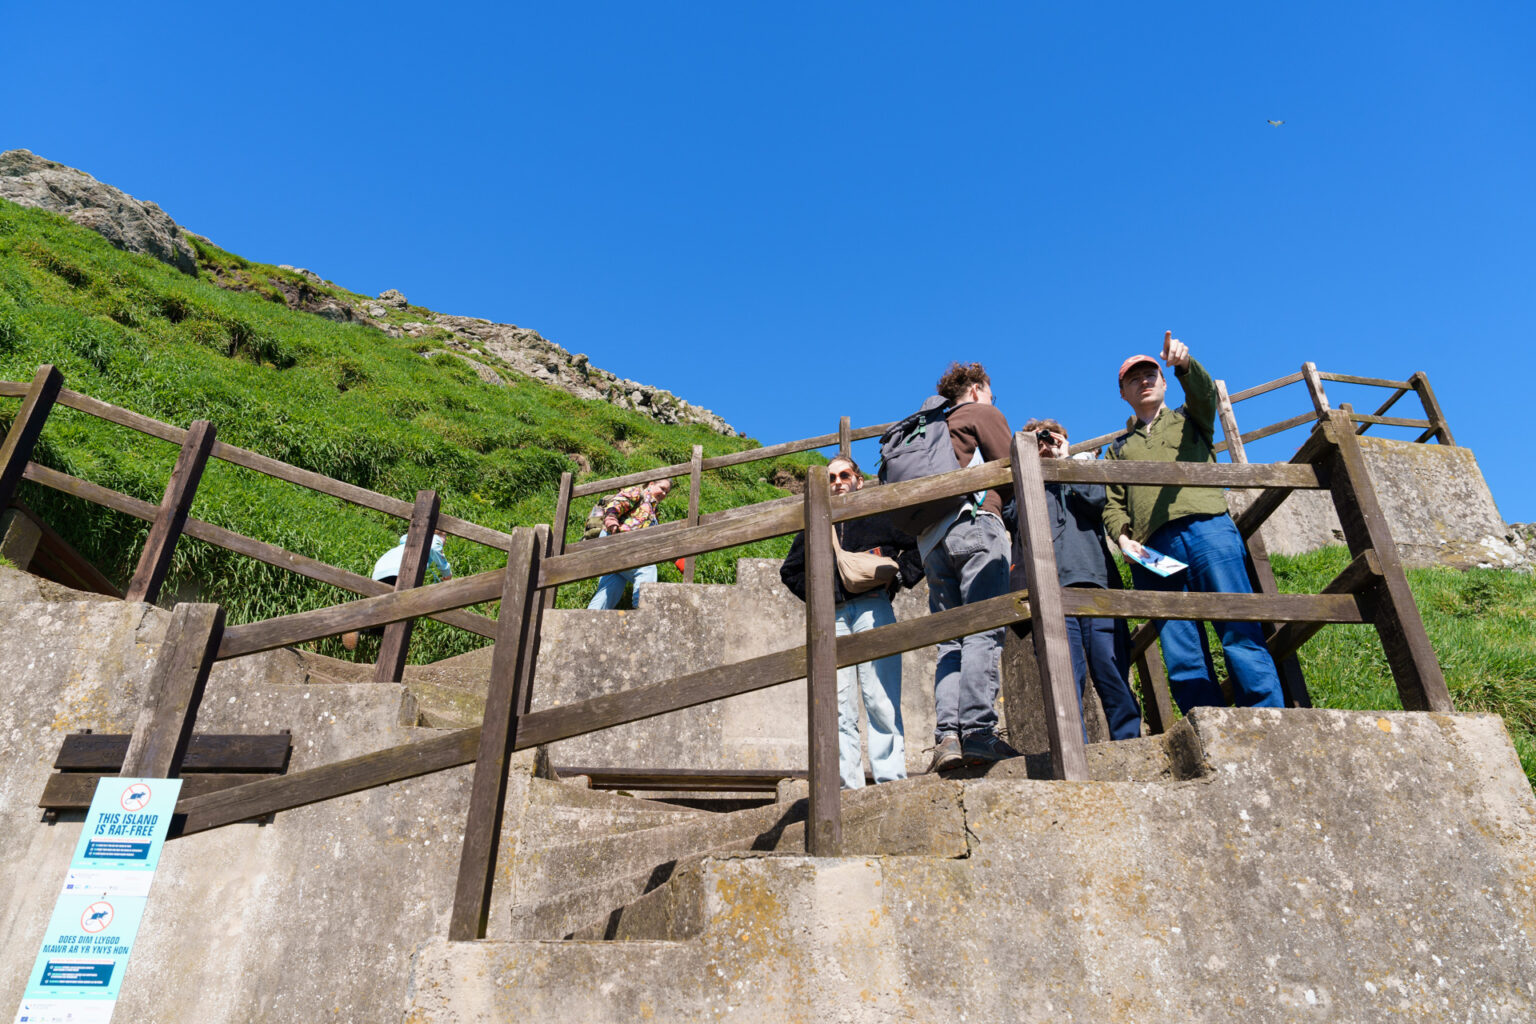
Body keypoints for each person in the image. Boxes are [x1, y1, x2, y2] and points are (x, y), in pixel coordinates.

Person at [1102, 332, 1284, 712]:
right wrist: (1122, 539)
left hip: (1209, 528)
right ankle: (1205, 724)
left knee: (1238, 626)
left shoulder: (1190, 419)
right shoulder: (1117, 449)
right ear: (1123, 393)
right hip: (1150, 550)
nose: (1144, 381)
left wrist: (1185, 363)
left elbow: (1204, 393)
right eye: (1133, 379)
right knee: (1179, 646)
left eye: (1151, 374)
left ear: (1165, 381)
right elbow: (1113, 503)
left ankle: (1267, 716)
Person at [779, 456, 924, 789]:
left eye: (844, 475)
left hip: (874, 607)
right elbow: (790, 571)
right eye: (830, 478)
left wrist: (901, 576)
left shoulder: (879, 514)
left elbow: (917, 544)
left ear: (859, 480)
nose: (837, 482)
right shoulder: (816, 523)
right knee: (838, 704)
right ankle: (847, 785)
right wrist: (822, 595)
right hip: (833, 617)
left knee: (881, 698)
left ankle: (890, 780)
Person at [919, 362, 1019, 771]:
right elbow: (1014, 469)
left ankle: (948, 738)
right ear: (977, 389)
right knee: (983, 631)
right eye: (991, 393)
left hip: (931, 543)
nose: (994, 400)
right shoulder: (979, 413)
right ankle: (978, 732)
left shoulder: (932, 427)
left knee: (950, 642)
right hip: (974, 524)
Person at [1022, 417, 1143, 741]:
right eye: (1037, 442)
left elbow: (1099, 502)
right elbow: (1013, 519)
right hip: (1051, 593)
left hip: (1097, 583)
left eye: (1052, 439)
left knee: (1112, 671)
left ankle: (1129, 745)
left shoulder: (1083, 476)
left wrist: (1067, 464)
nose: (1045, 445)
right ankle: (1077, 756)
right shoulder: (1024, 487)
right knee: (1064, 681)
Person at [342, 529, 453, 651]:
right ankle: (387, 660)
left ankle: (358, 626)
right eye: (445, 537)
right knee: (399, 620)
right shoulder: (430, 538)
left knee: (386, 618)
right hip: (403, 572)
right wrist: (446, 573)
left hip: (380, 574)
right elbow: (434, 547)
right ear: (440, 535)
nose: (445, 541)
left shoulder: (404, 545)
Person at [587, 478, 673, 610]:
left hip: (624, 549)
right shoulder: (637, 492)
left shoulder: (653, 511)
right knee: (647, 568)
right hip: (616, 541)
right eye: (662, 488)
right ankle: (643, 612)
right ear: (651, 484)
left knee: (608, 592)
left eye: (667, 492)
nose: (664, 494)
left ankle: (588, 624)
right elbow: (616, 504)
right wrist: (611, 520)